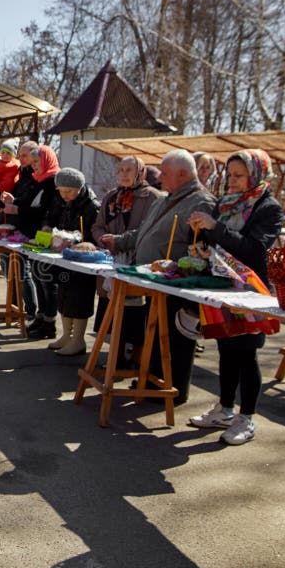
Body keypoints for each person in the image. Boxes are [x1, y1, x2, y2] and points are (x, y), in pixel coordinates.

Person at [100, 149, 216, 404]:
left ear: (183, 174)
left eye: (165, 173)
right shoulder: (165, 198)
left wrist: (181, 266)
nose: (160, 177)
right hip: (152, 281)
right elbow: (144, 231)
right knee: (153, 333)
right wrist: (119, 241)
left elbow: (200, 247)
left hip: (177, 285)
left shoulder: (201, 202)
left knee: (174, 339)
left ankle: (171, 391)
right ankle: (151, 380)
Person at [187, 149, 283, 444]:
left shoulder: (268, 208)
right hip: (222, 287)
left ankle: (247, 418)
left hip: (251, 292)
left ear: (256, 175)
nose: (233, 180)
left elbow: (254, 251)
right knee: (226, 348)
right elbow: (214, 241)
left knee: (247, 353)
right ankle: (225, 409)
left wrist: (216, 228)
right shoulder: (226, 203)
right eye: (230, 174)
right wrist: (202, 241)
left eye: (240, 175)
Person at [91, 156, 164, 362]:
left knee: (135, 316)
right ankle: (116, 356)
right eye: (121, 170)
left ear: (140, 173)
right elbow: (98, 226)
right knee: (112, 313)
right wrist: (102, 240)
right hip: (111, 260)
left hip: (138, 262)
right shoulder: (111, 197)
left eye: (128, 170)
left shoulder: (153, 198)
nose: (123, 174)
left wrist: (120, 241)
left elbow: (149, 231)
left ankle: (137, 360)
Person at [3, 144, 60, 333]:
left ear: (46, 160)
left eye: (37, 161)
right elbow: (30, 203)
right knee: (37, 275)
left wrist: (18, 208)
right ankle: (41, 316)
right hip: (34, 235)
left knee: (46, 278)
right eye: (33, 161)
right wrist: (15, 201)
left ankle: (49, 321)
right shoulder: (38, 179)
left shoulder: (53, 181)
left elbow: (43, 210)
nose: (34, 165)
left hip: (45, 233)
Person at [44, 167, 100, 355]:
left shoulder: (91, 205)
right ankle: (67, 335)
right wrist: (47, 227)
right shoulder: (59, 200)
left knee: (79, 297)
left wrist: (78, 239)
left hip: (83, 259)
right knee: (64, 295)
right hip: (64, 257)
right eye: (61, 191)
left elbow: (95, 233)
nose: (65, 196)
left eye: (68, 192)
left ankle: (78, 340)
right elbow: (51, 219)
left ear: (79, 188)